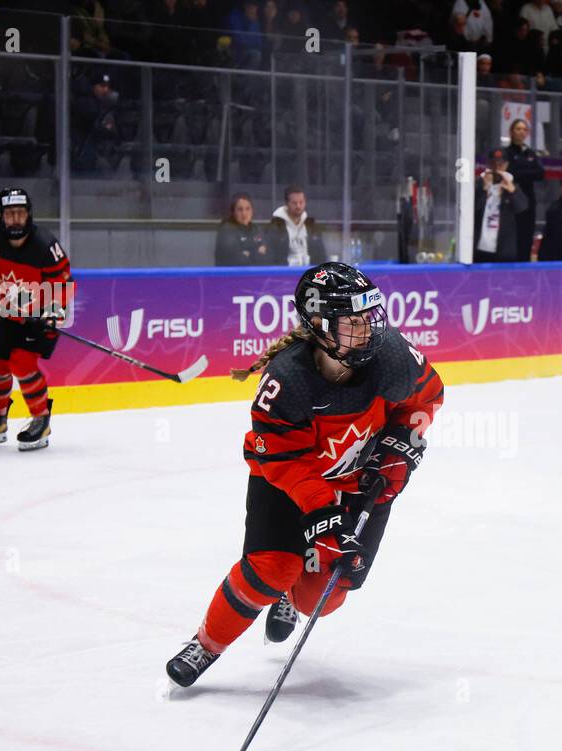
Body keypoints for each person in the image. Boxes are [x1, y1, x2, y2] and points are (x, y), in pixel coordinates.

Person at [167, 262, 444, 686]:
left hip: (355, 482)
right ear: (320, 326)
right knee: (272, 568)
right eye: (352, 323)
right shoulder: (288, 383)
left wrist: (400, 447)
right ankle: (206, 644)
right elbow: (285, 462)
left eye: (368, 318)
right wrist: (320, 514)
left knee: (328, 593)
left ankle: (289, 595)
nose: (367, 331)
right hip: (286, 483)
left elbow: (428, 398)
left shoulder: (391, 357)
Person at [0, 188, 71, 452]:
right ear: (1, 216)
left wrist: (50, 313)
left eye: (20, 214)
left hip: (40, 316)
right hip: (10, 311)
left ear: (28, 215)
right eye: (10, 214)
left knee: (22, 363)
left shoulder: (46, 245)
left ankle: (40, 420)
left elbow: (63, 282)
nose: (15, 219)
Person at [473, 148, 530, 262]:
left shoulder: (512, 186)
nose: (497, 167)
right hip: (479, 250)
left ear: (506, 165)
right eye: (493, 163)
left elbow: (522, 208)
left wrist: (512, 191)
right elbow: (472, 210)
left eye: (501, 163)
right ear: (488, 164)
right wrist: (484, 190)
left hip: (504, 251)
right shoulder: (479, 185)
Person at [503, 118, 546, 263]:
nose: (521, 132)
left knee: (526, 237)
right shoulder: (506, 153)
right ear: (511, 132)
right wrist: (527, 170)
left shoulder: (530, 153)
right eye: (518, 129)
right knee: (511, 238)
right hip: (511, 202)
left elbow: (540, 173)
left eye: (524, 129)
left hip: (528, 202)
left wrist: (520, 172)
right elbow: (509, 172)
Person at [215, 193, 282, 266]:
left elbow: (270, 257)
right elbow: (236, 260)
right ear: (233, 212)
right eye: (240, 209)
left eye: (247, 209)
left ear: (252, 211)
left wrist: (248, 253)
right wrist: (257, 252)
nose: (244, 213)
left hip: (257, 274)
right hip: (232, 275)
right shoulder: (226, 230)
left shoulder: (257, 229)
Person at [271, 186, 326, 267]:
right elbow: (272, 257)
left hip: (310, 275)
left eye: (301, 202)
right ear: (286, 204)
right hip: (284, 275)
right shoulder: (276, 227)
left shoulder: (311, 226)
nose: (298, 206)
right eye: (294, 203)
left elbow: (321, 254)